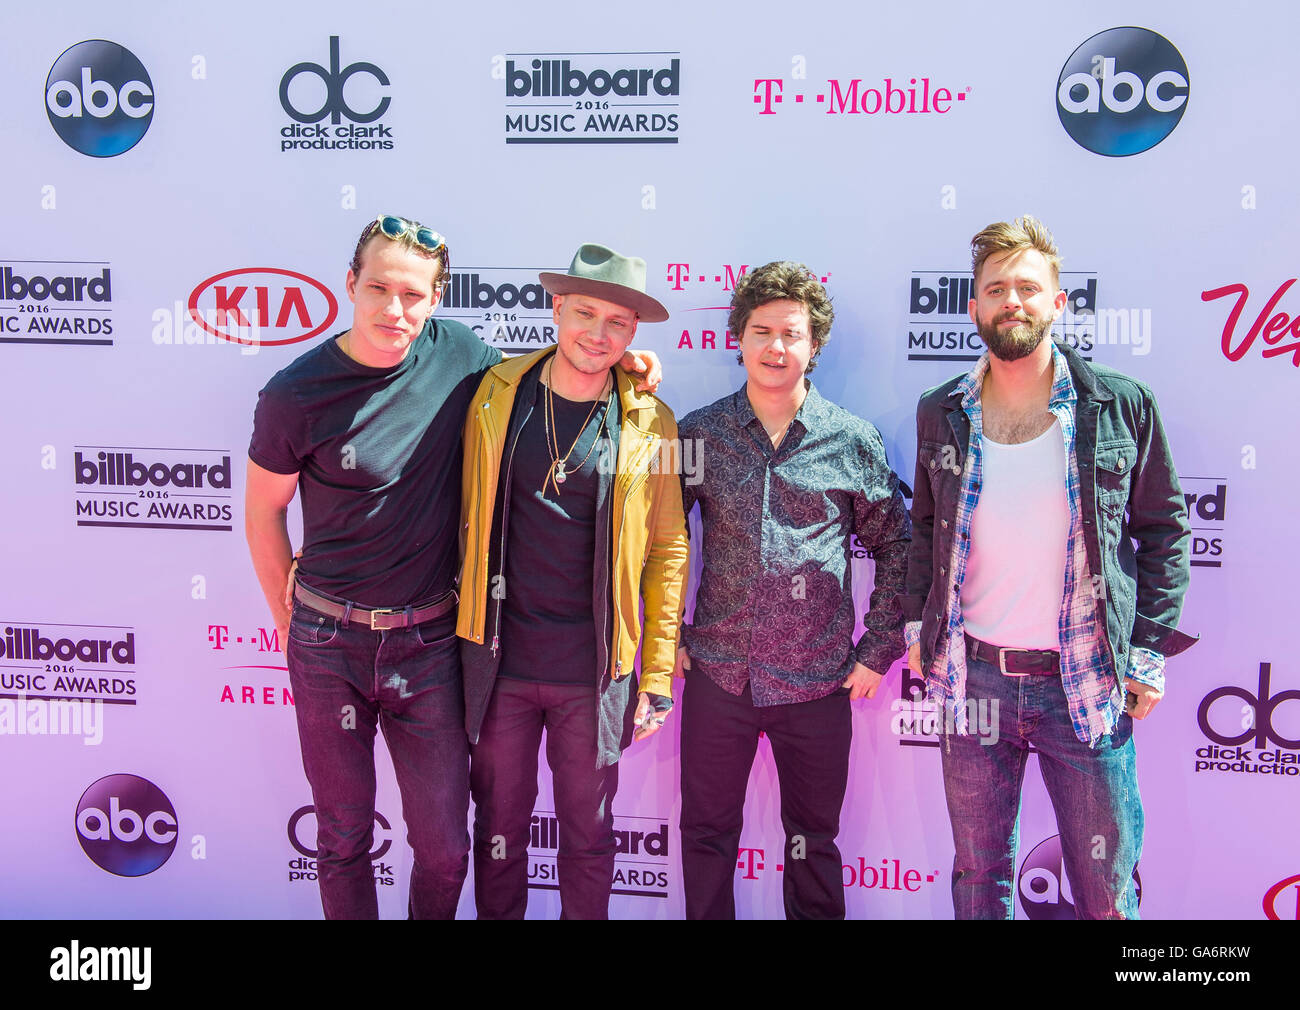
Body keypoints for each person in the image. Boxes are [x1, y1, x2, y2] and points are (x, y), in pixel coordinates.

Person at [245, 216, 660, 919]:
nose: (394, 309)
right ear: (351, 284)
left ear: (437, 299)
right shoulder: (295, 394)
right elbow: (262, 512)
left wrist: (624, 364)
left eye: (413, 294)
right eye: (378, 288)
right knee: (343, 835)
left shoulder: (465, 360)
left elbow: (555, 371)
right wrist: (291, 615)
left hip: (432, 642)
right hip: (326, 645)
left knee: (444, 848)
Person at [903, 215, 1196, 919]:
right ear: (973, 307)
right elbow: (923, 529)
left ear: (1058, 304)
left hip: (1086, 681)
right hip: (974, 681)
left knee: (1103, 894)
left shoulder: (1118, 405)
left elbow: (1166, 532)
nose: (1013, 301)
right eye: (996, 288)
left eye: (1029, 288)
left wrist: (1148, 651)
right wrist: (920, 622)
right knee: (979, 882)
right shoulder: (941, 411)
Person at [456, 242, 689, 920]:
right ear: (556, 308)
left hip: (595, 670)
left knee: (589, 836)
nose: (599, 333)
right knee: (498, 832)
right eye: (585, 312)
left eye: (618, 322)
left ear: (634, 332)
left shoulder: (653, 419)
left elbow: (668, 549)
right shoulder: (494, 395)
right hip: (497, 660)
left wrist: (655, 675)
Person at [674, 260, 911, 919]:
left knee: (813, 844)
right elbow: (661, 536)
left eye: (791, 334)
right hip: (720, 678)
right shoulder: (699, 433)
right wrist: (670, 636)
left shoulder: (852, 439)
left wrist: (877, 648)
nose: (776, 347)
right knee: (706, 836)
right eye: (761, 331)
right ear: (738, 339)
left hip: (817, 683)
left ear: (814, 345)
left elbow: (896, 543)